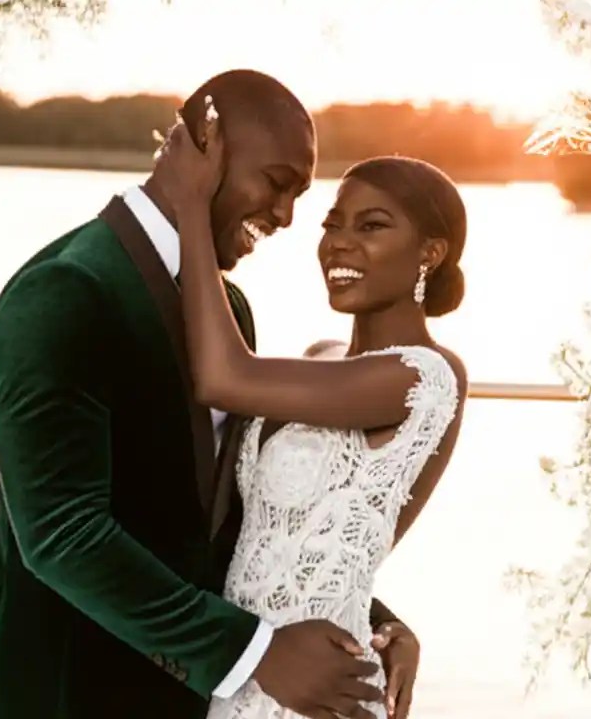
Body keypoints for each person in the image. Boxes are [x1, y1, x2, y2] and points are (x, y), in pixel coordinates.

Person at [0, 69, 421, 719]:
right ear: (203, 141)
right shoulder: (64, 292)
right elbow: (63, 536)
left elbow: (233, 521)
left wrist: (368, 621)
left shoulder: (232, 314)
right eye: (277, 183)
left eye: (299, 195)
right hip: (57, 695)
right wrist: (256, 654)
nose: (284, 216)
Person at [153, 103, 470, 719]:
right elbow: (301, 537)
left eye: (373, 225)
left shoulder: (425, 376)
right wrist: (388, 620)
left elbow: (222, 376)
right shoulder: (318, 357)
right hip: (245, 671)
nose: (341, 242)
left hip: (315, 694)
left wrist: (190, 204)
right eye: (333, 223)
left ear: (428, 253)